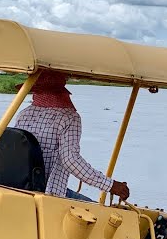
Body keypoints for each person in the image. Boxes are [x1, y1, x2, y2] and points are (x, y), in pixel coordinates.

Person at [11, 70, 131, 202]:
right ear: (60, 89)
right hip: (49, 192)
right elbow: (70, 160)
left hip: (18, 185)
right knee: (95, 209)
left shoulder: (24, 114)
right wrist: (111, 185)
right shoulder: (68, 117)